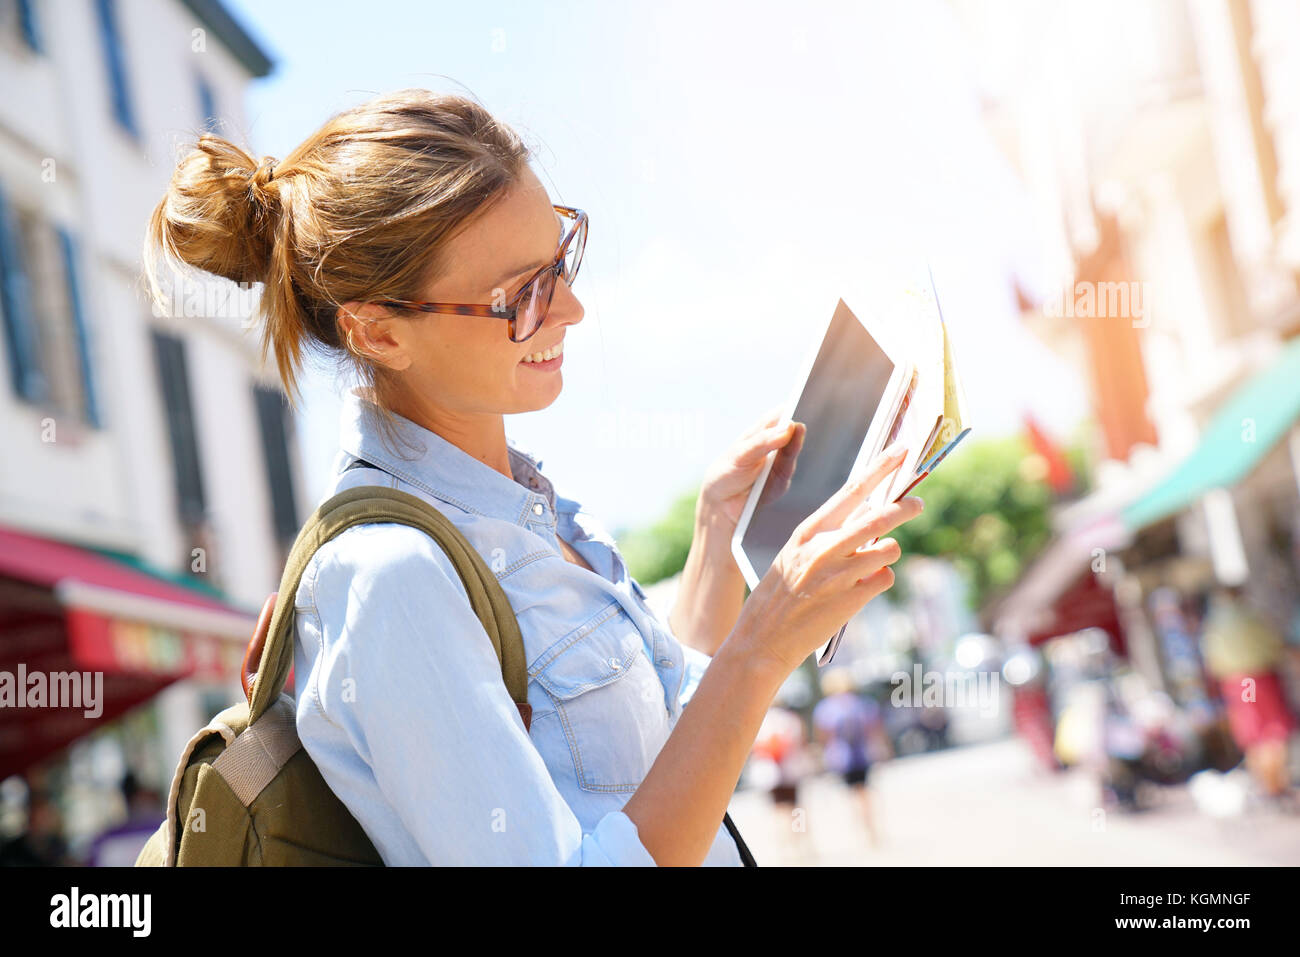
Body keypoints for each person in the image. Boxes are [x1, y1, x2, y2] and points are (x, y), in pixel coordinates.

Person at [144, 89, 925, 866]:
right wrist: (762, 643)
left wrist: (718, 535)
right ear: (377, 329)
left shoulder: (527, 513)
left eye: (560, 261)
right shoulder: (392, 576)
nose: (573, 308)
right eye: (522, 295)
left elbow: (651, 762)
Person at [1199, 584, 1296, 805]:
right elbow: (1272, 644)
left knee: (1254, 732)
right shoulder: (1248, 616)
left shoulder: (1214, 623)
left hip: (1235, 683)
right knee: (1270, 730)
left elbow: (1212, 661)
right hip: (1254, 681)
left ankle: (1267, 784)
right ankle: (1274, 785)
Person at [812, 668, 890, 845]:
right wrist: (885, 750)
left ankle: (862, 828)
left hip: (841, 758)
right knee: (865, 792)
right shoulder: (862, 704)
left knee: (853, 795)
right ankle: (872, 828)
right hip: (864, 754)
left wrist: (822, 759)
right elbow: (875, 730)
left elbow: (823, 737)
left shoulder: (825, 709)